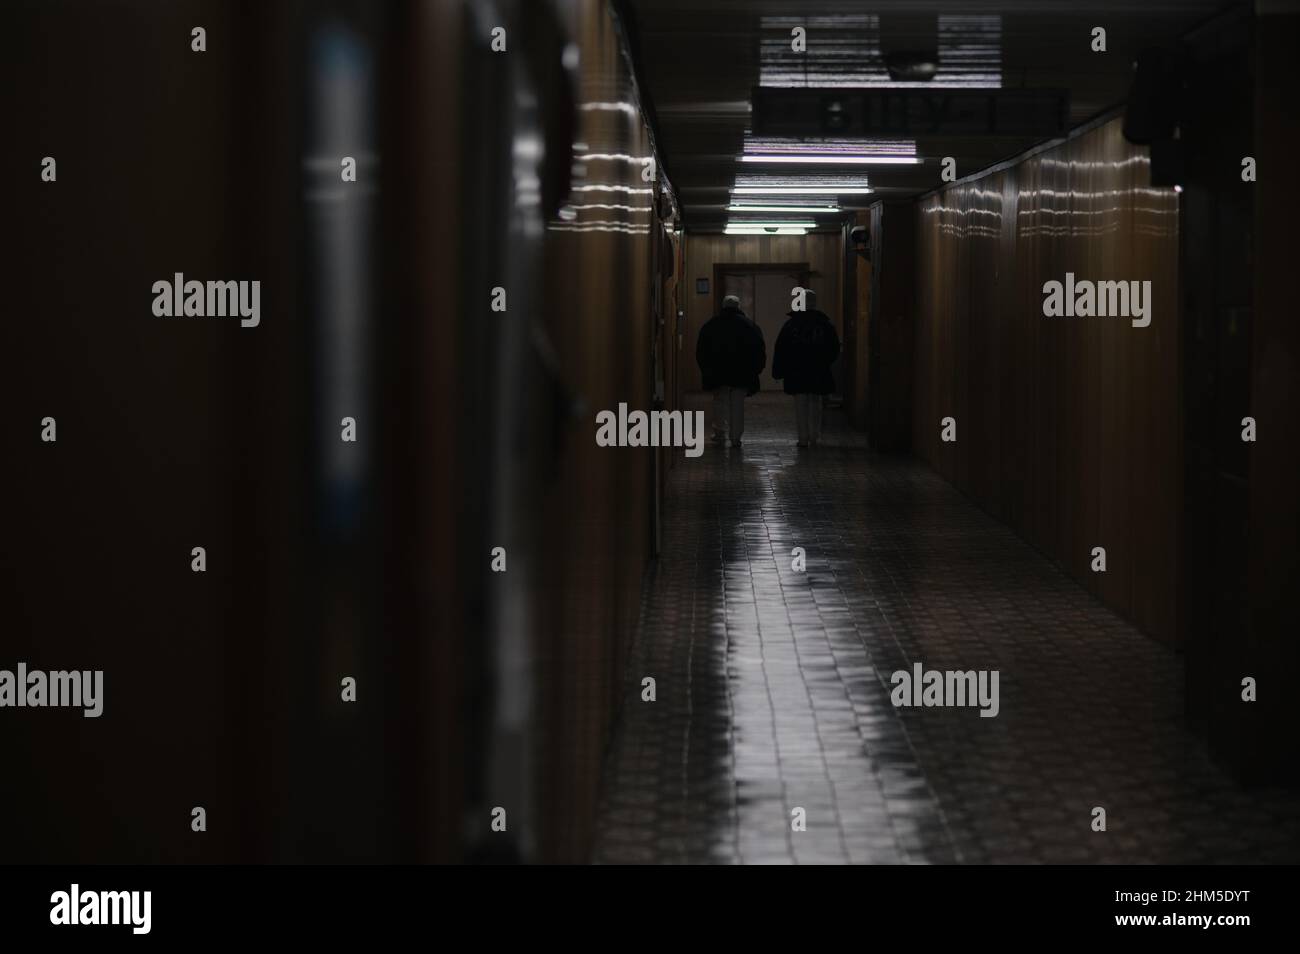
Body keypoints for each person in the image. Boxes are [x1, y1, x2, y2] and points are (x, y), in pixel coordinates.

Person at [772, 289, 840, 447]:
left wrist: (779, 370)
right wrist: (824, 362)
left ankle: (803, 438)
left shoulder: (791, 325)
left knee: (800, 404)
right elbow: (834, 348)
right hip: (818, 370)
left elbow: (781, 348)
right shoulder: (824, 324)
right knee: (816, 404)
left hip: (797, 371)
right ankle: (815, 437)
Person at [696, 294, 766, 446]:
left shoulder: (711, 325)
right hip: (742, 373)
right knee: (737, 405)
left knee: (720, 403)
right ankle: (736, 437)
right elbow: (759, 350)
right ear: (738, 307)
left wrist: (706, 370)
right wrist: (756, 370)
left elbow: (701, 351)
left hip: (717, 372)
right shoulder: (749, 326)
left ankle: (720, 432)